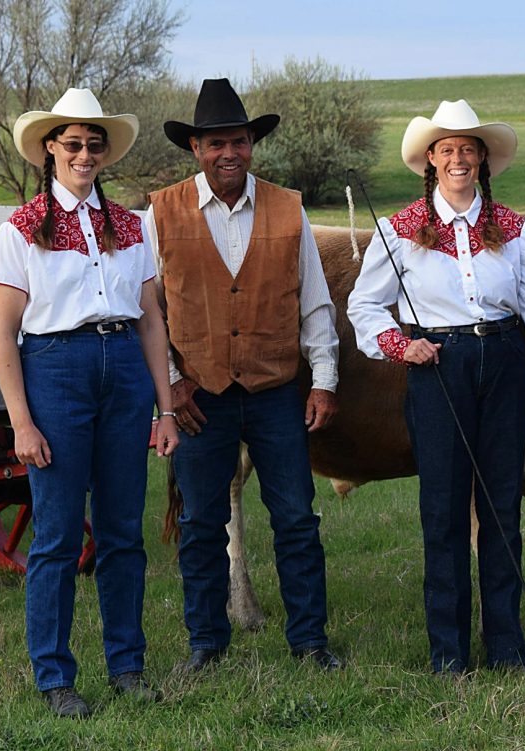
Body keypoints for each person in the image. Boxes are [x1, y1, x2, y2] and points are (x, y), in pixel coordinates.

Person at [347, 100, 525, 674]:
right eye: (448, 149)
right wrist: (401, 344)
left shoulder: (513, 231)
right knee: (442, 513)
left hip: (506, 362)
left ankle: (508, 646)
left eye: (469, 149)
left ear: (483, 159)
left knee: (500, 509)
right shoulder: (399, 230)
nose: (459, 158)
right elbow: (364, 305)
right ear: (431, 161)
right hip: (440, 365)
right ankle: (448, 652)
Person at [0, 88, 179, 718]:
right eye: (73, 142)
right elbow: (2, 331)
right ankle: (54, 675)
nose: (85, 153)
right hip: (56, 369)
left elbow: (152, 319)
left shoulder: (129, 225)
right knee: (59, 534)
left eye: (95, 143)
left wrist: (166, 408)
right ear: (50, 148)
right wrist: (21, 419)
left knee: (124, 530)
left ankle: (127, 665)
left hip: (124, 365)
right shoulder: (22, 228)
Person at [145, 78, 343, 672]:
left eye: (238, 141)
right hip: (198, 393)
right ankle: (206, 643)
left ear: (252, 144)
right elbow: (148, 308)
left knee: (296, 520)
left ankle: (309, 642)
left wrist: (325, 379)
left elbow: (314, 302)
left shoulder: (288, 208)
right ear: (196, 150)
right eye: (215, 144)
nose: (228, 153)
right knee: (202, 523)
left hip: (275, 390)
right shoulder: (160, 212)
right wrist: (173, 384)